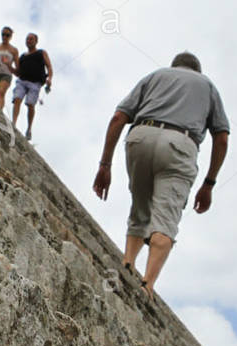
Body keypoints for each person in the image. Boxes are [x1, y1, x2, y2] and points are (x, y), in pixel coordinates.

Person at [92, 52, 229, 298]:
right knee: (165, 216)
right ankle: (147, 284)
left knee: (140, 205)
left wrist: (105, 165)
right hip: (180, 143)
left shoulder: (155, 76)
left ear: (174, 66)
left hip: (141, 136)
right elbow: (221, 138)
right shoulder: (207, 85)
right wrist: (209, 183)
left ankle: (127, 264)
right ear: (197, 70)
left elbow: (118, 118)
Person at [10, 32, 53, 141]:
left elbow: (49, 66)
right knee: (17, 99)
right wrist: (7, 65)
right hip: (22, 81)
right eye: (27, 39)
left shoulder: (41, 53)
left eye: (31, 39)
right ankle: (13, 123)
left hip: (35, 83)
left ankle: (29, 128)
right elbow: (17, 72)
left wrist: (49, 78)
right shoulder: (23, 57)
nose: (29, 41)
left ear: (36, 41)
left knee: (30, 105)